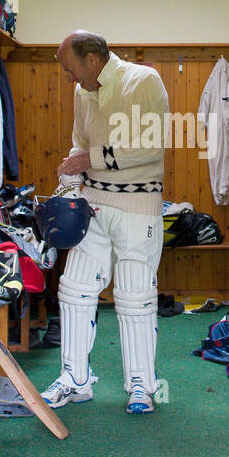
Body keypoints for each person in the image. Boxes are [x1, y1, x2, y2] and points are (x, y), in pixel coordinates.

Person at [41, 31, 170, 415]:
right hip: (92, 203)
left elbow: (151, 147)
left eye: (70, 69)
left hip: (138, 204)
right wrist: (70, 182)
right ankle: (75, 379)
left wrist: (91, 159)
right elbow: (79, 144)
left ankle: (141, 386)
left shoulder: (143, 81)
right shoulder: (83, 92)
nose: (68, 77)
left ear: (93, 59)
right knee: (74, 290)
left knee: (134, 296)